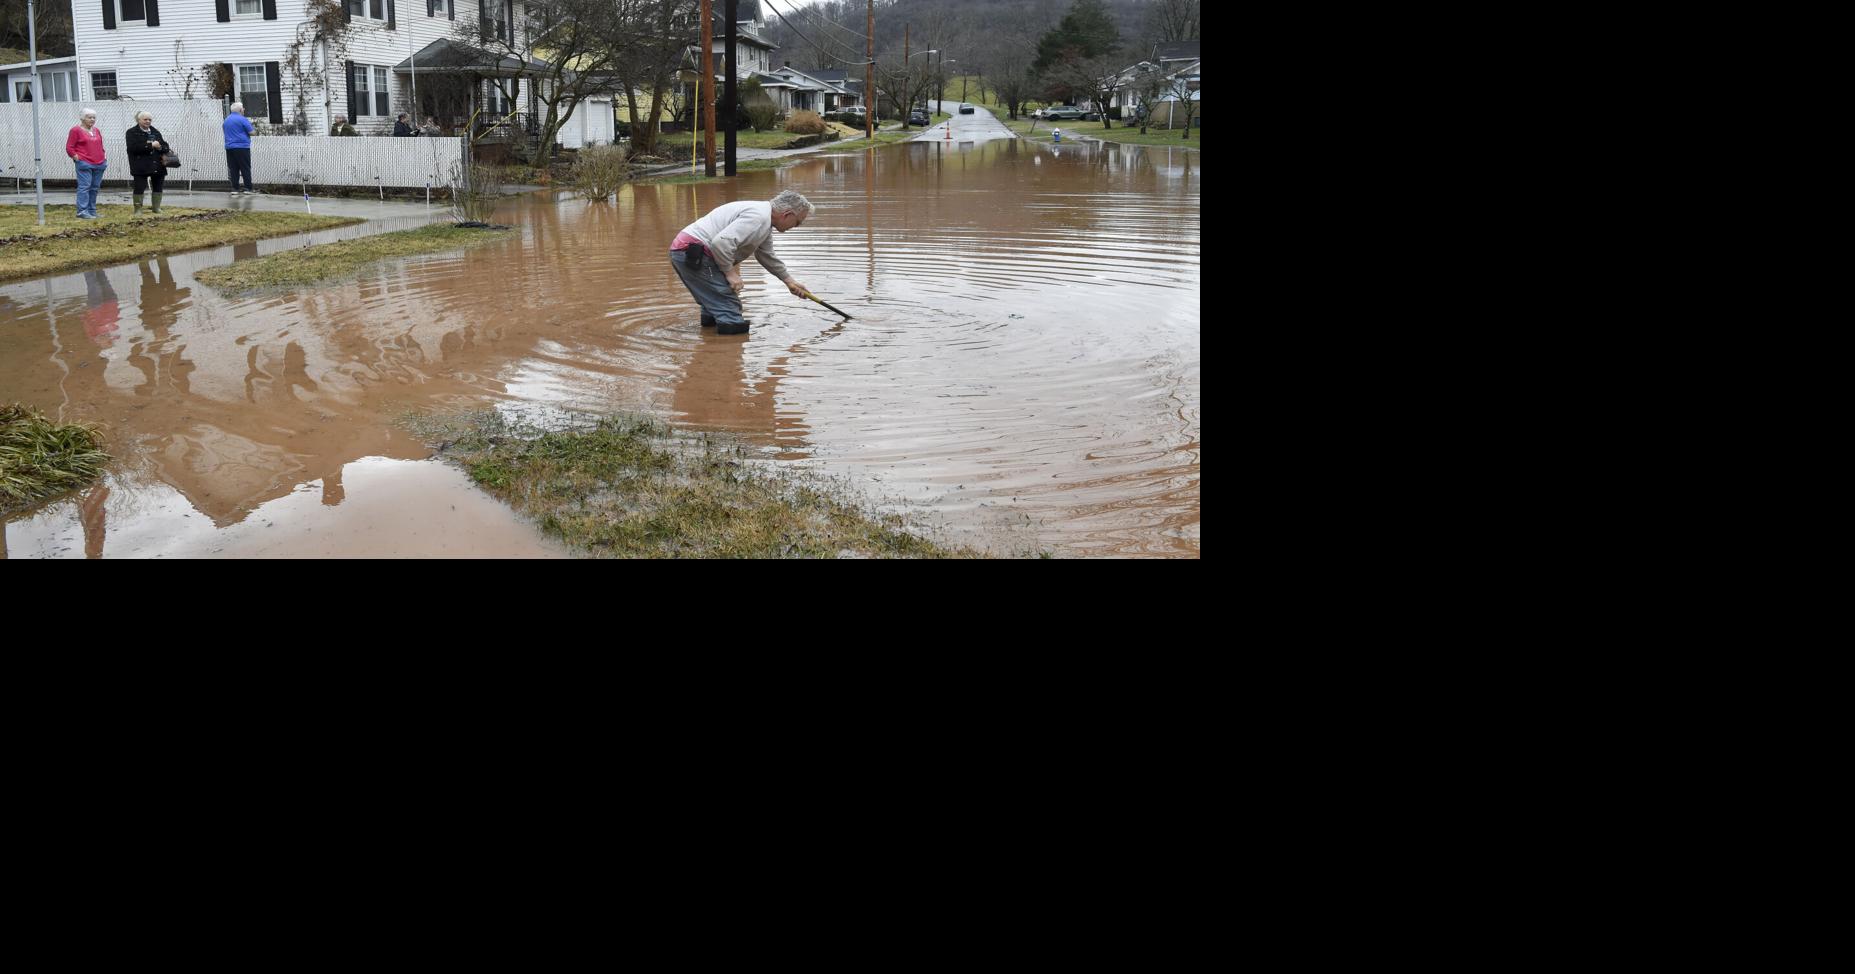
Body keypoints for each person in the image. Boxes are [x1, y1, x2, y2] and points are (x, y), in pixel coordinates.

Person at [668, 189, 815, 336]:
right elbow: (721, 243)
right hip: (694, 253)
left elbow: (766, 255)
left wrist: (789, 281)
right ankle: (730, 346)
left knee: (714, 302)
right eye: (797, 222)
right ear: (787, 214)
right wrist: (730, 273)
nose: (796, 226)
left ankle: (709, 341)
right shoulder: (758, 217)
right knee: (729, 308)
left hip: (690, 251)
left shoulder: (764, 220)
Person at [125, 111, 171, 215]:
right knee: (139, 187)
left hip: (157, 164)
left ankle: (156, 208)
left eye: (150, 119)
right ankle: (138, 209)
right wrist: (150, 146)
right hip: (140, 165)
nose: (148, 121)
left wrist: (160, 147)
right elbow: (132, 148)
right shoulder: (131, 132)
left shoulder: (155, 131)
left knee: (158, 186)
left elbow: (165, 146)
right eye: (145, 119)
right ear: (138, 120)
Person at [65, 107, 107, 220]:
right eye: (89, 117)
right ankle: (82, 211)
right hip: (84, 162)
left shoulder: (96, 130)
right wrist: (75, 157)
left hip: (99, 163)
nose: (92, 119)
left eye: (94, 117)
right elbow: (69, 147)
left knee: (94, 188)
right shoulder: (75, 130)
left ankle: (92, 210)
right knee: (85, 187)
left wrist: (104, 156)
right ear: (82, 118)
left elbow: (100, 144)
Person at [223, 101, 256, 195]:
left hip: (229, 147)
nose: (244, 109)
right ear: (240, 110)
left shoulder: (226, 120)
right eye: (243, 108)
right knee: (245, 167)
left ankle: (235, 188)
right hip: (242, 147)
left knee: (233, 168)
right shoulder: (242, 119)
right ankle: (248, 188)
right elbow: (252, 132)